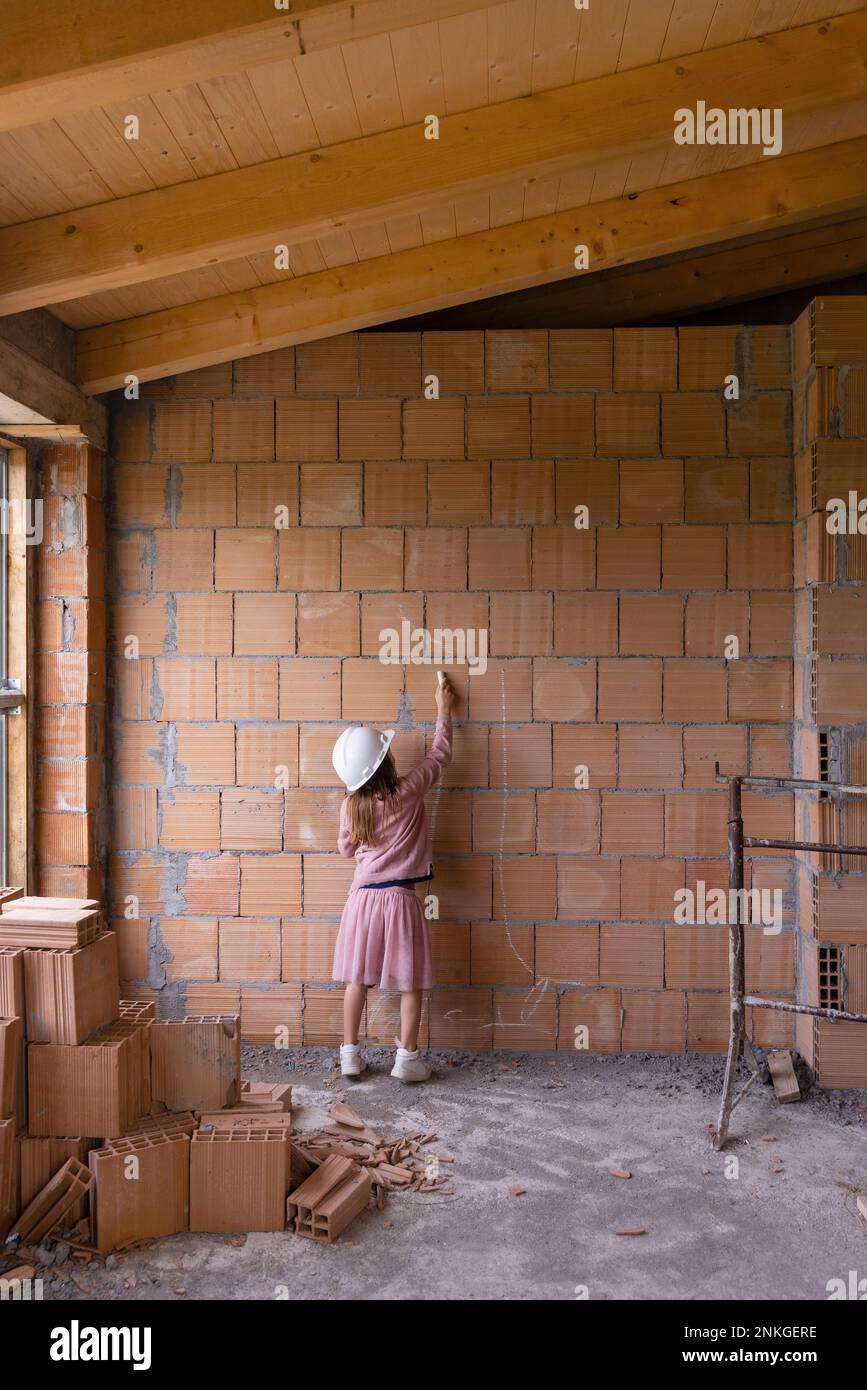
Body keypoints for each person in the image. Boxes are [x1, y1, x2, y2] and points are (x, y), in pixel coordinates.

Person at [331, 673, 455, 1082]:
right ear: (386, 762)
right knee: (409, 982)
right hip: (400, 900)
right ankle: (407, 1060)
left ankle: (349, 1055)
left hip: (362, 901)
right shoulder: (408, 791)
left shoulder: (351, 806)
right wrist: (443, 709)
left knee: (357, 980)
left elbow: (346, 850)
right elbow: (439, 756)